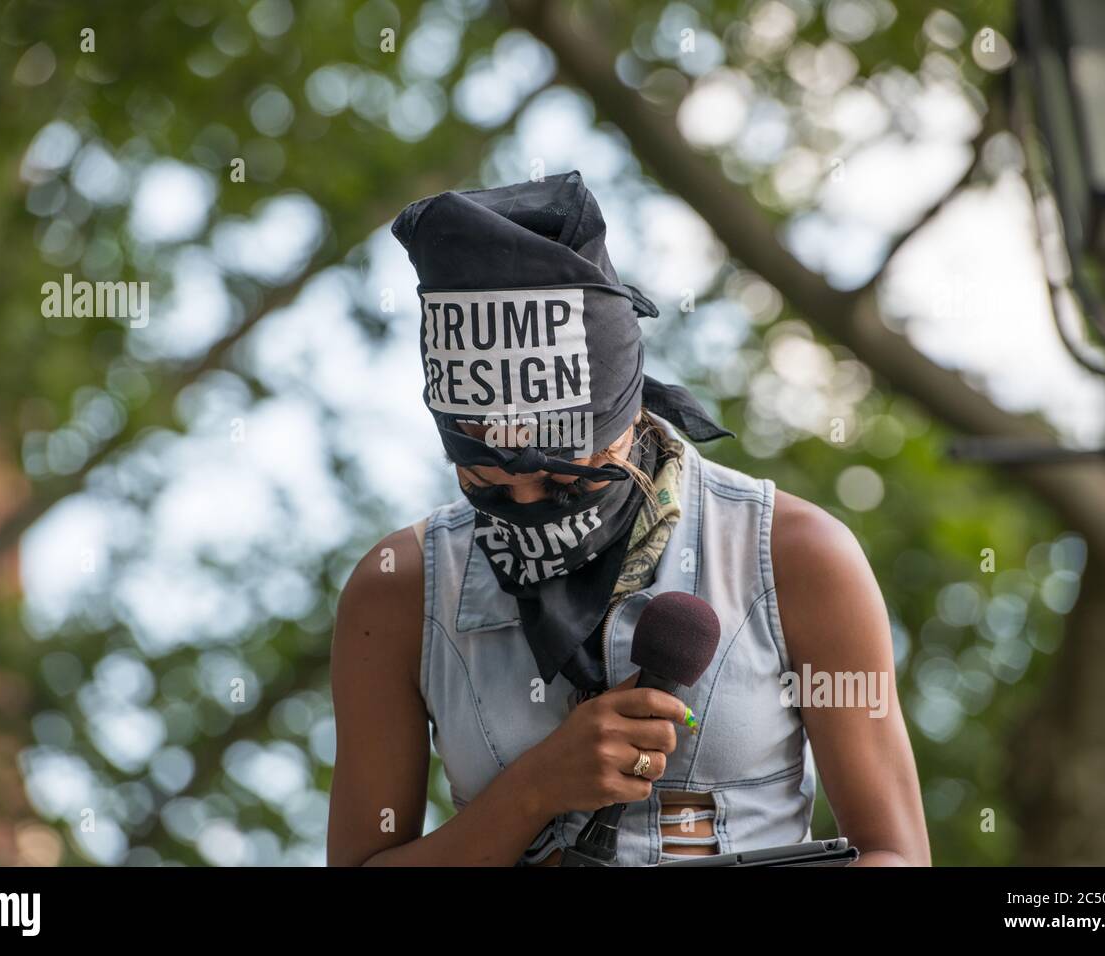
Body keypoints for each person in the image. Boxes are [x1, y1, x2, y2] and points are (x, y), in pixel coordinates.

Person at [327, 172, 930, 866]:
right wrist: (532, 791)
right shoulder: (400, 591)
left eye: (562, 478)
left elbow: (899, 855)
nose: (527, 505)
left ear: (626, 414)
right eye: (488, 484)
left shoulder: (794, 557)